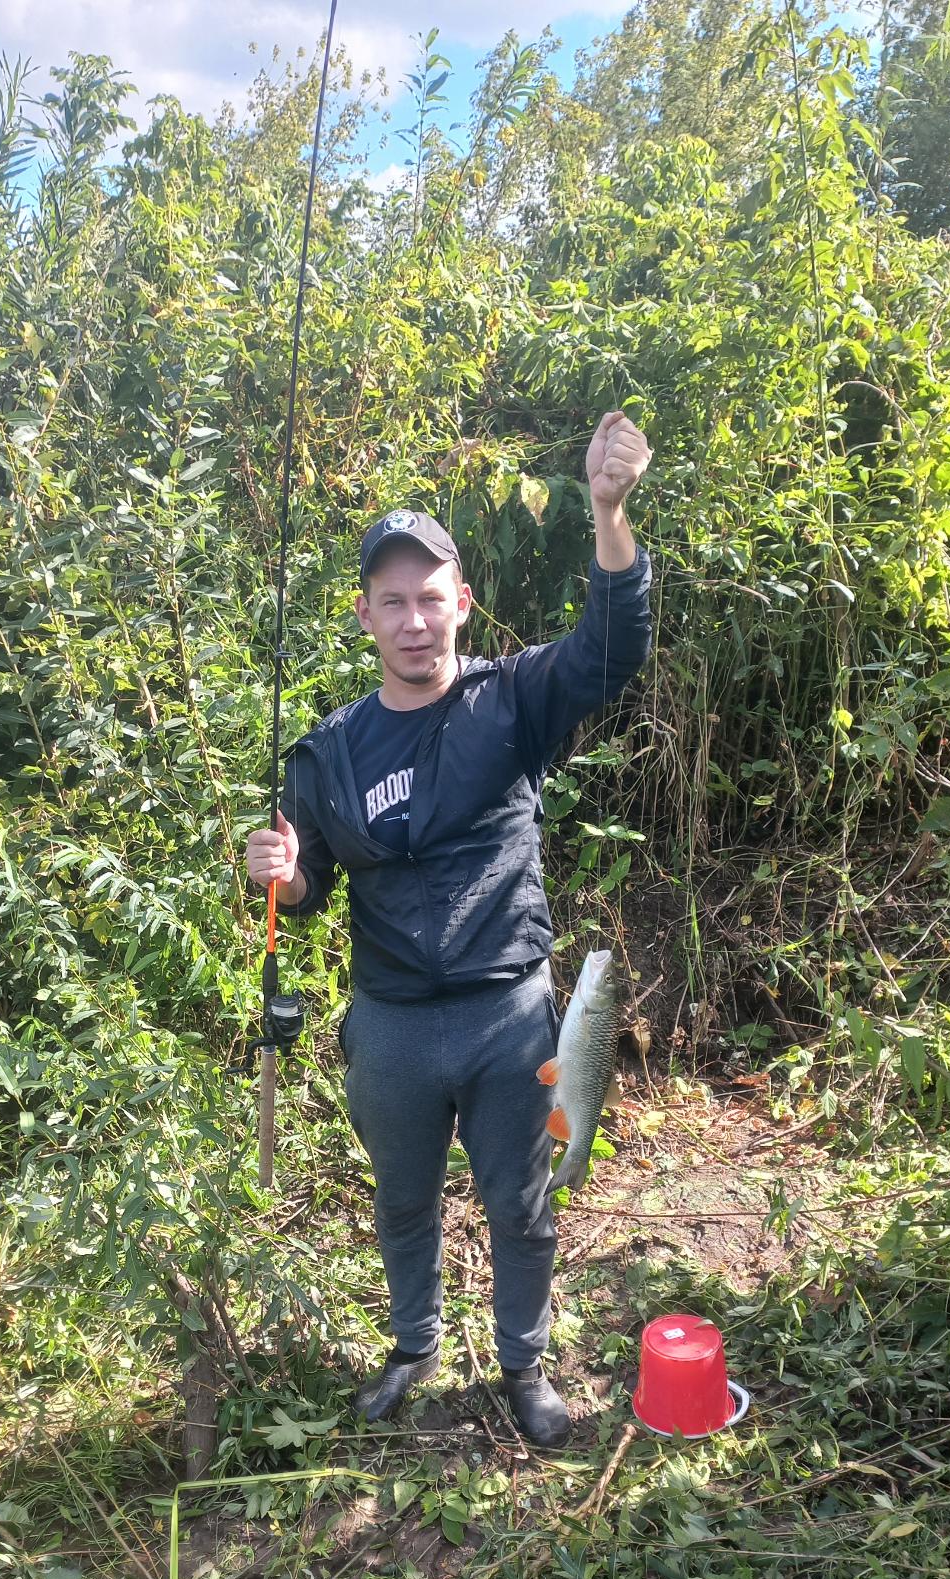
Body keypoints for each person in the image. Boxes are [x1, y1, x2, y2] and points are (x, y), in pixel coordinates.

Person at [246, 412, 653, 1446]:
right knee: (403, 1203)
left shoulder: (513, 699)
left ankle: (525, 1364)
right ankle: (413, 1344)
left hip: (510, 1015)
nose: (415, 619)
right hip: (389, 1025)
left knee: (523, 1205)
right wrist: (283, 878)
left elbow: (612, 651)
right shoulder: (328, 752)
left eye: (432, 597)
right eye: (395, 601)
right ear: (366, 615)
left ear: (461, 603)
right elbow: (308, 893)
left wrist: (609, 514)